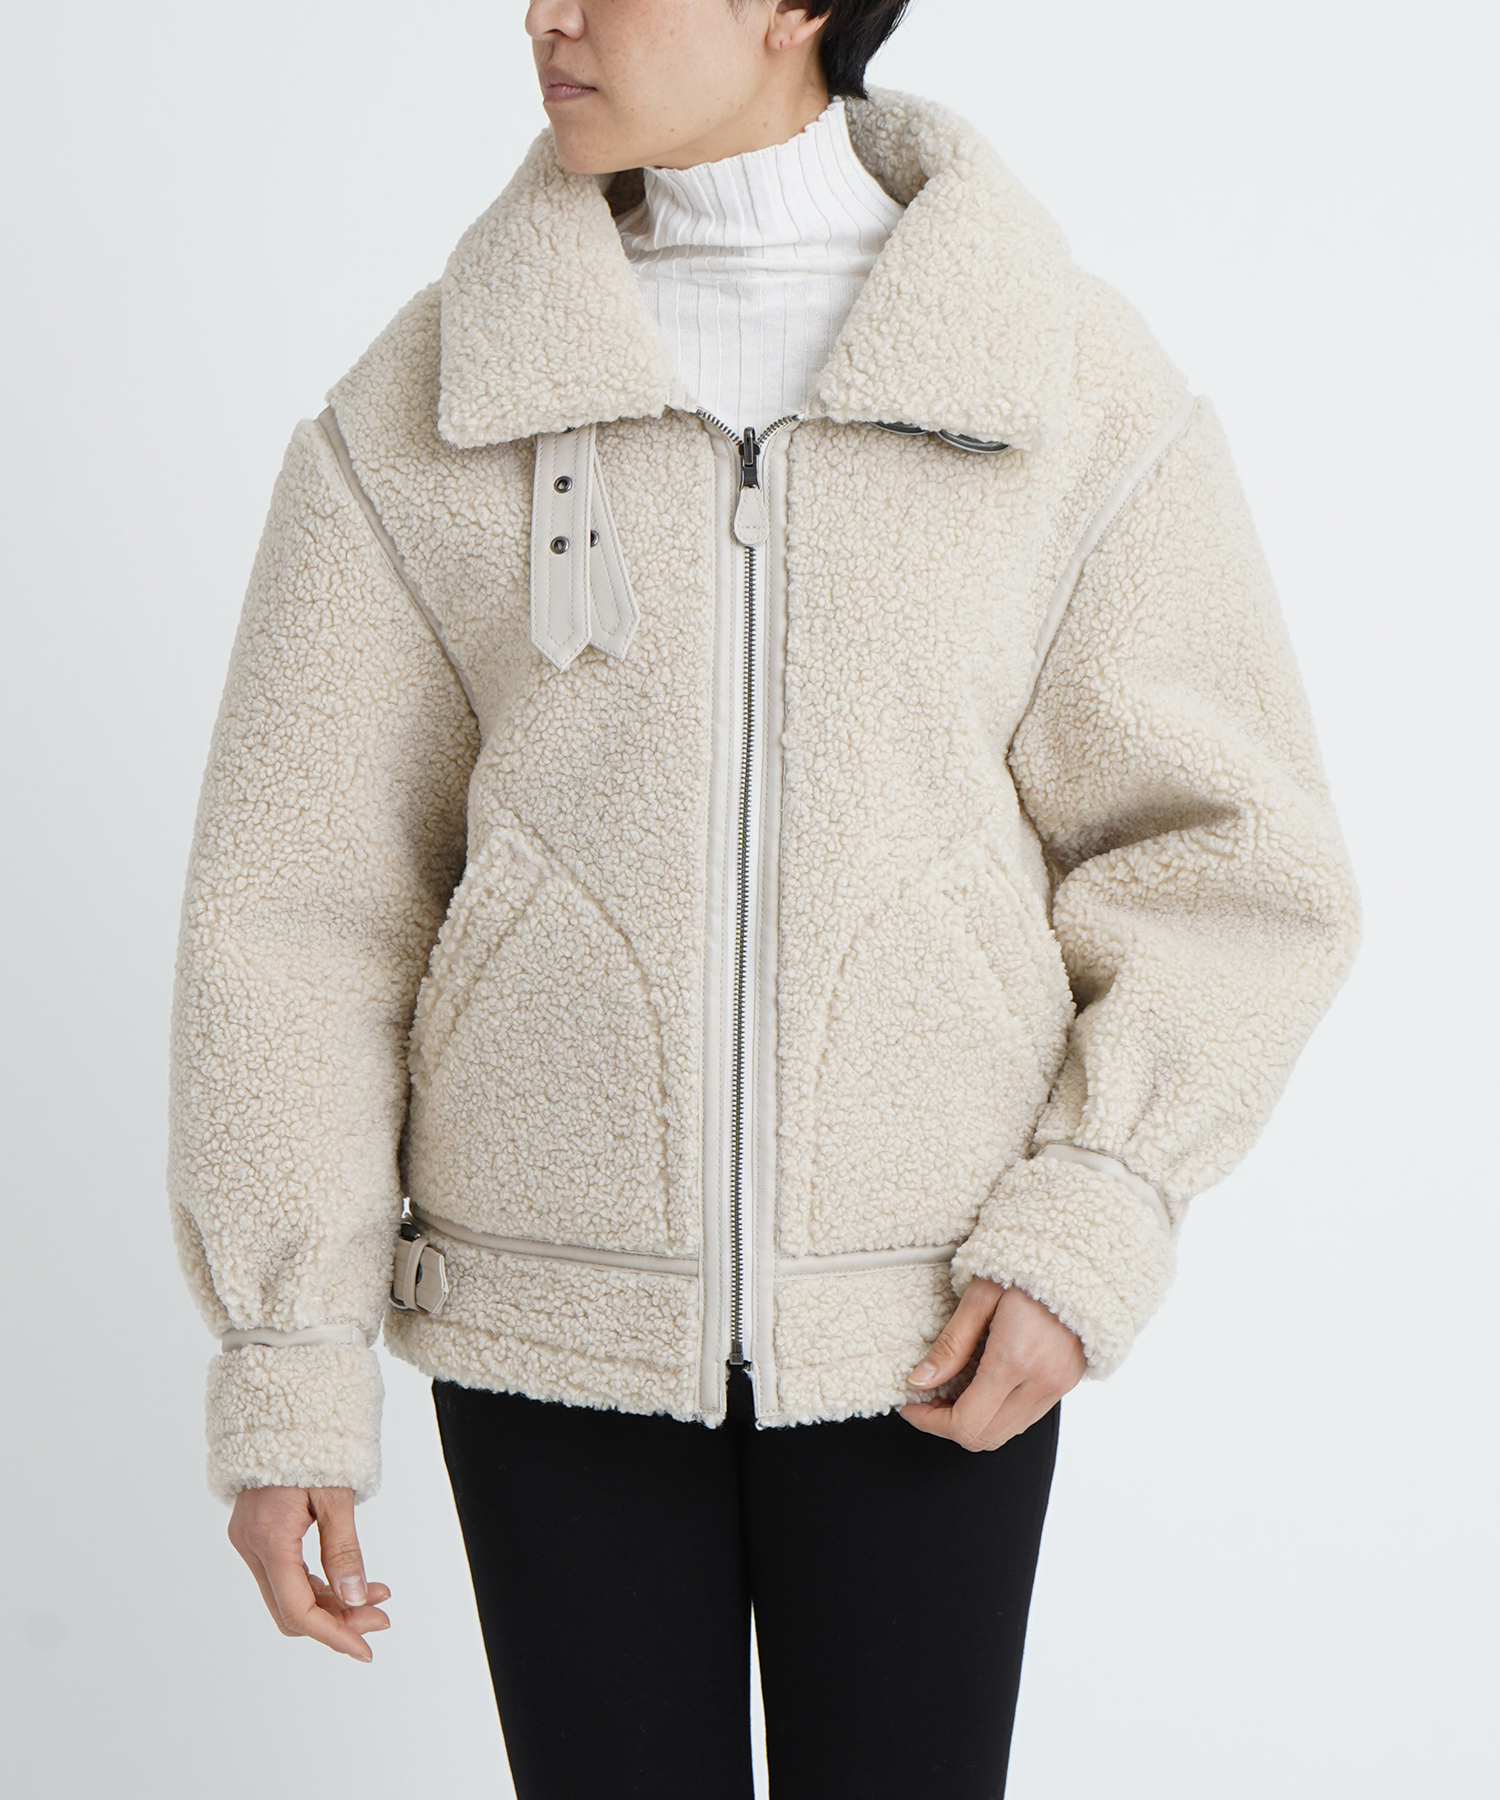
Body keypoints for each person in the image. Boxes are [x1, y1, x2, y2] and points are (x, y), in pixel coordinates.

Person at [168, 2, 1360, 1794]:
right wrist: (288, 1361)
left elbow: (1235, 864)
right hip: (548, 1327)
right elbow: (296, 912)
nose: (547, 14)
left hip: (938, 1324)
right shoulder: (427, 407)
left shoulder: (1059, 385)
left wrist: (1093, 1219)